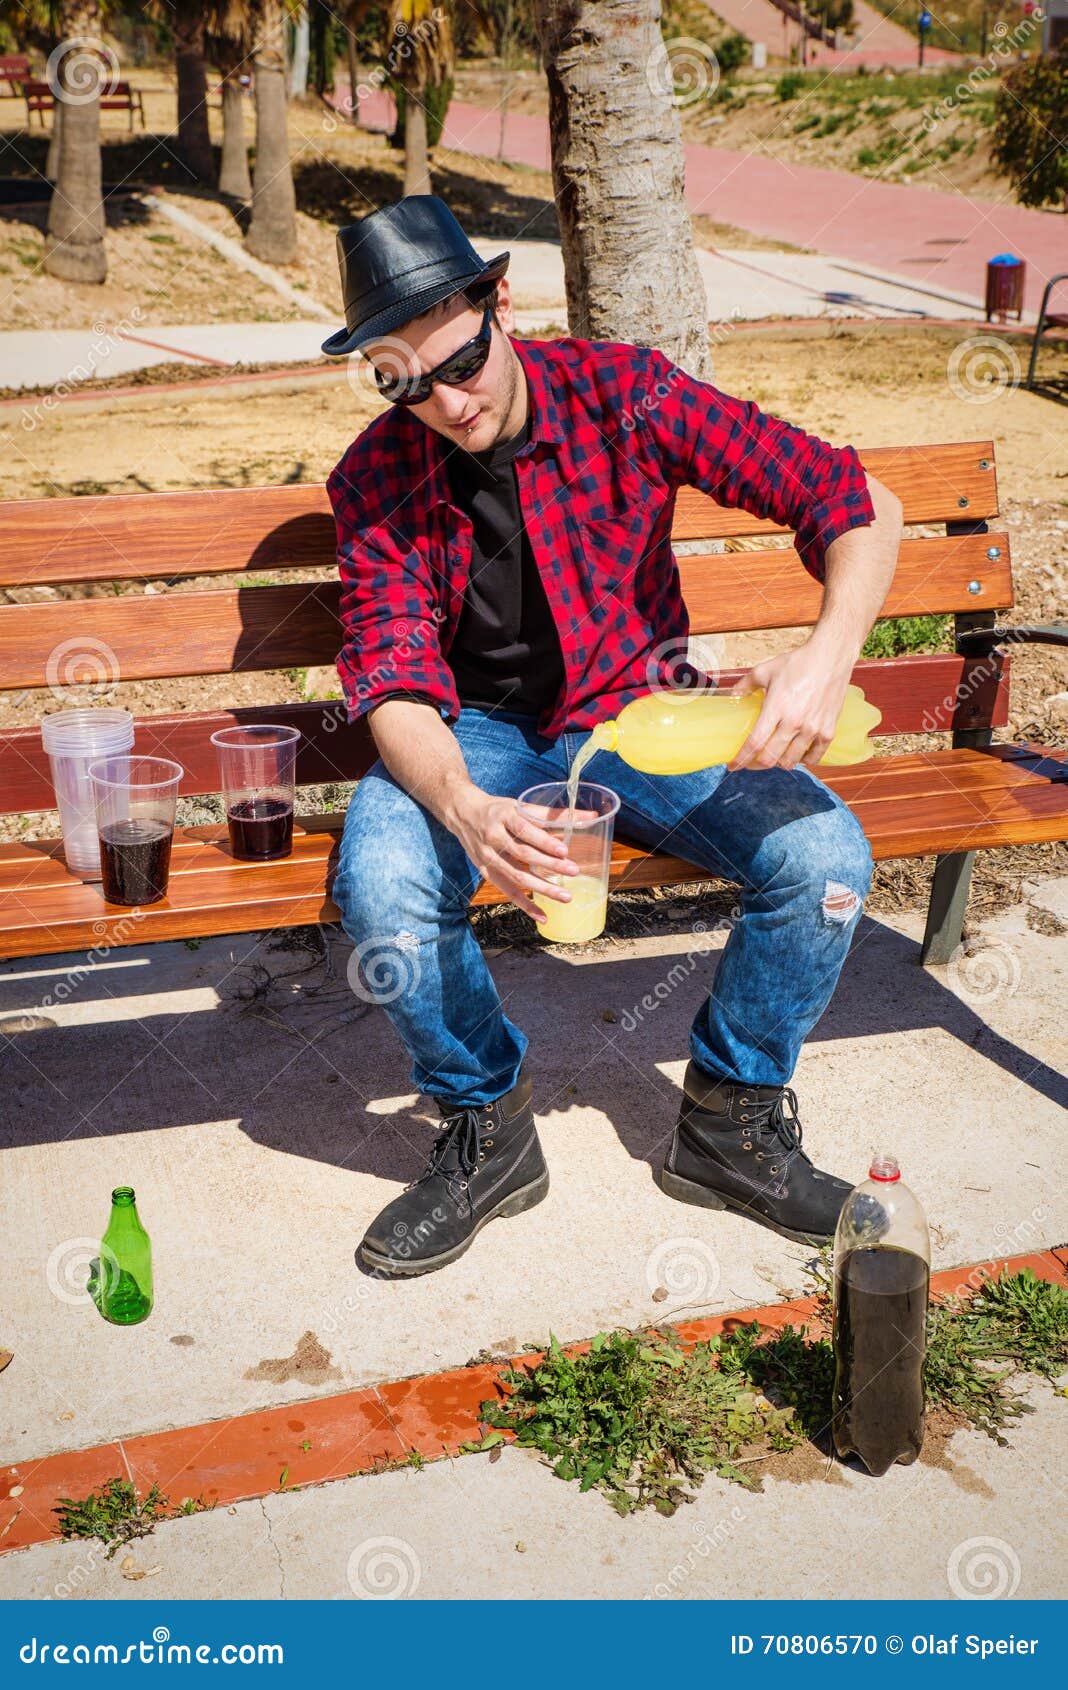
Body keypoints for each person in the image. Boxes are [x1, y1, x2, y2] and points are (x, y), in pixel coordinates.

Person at [323, 195, 903, 1279]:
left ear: (499, 305)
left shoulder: (622, 393)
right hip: (478, 738)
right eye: (404, 383)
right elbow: (393, 683)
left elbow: (853, 495)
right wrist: (463, 806)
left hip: (644, 713)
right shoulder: (374, 479)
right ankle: (487, 1126)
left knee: (823, 860)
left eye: (459, 364)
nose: (445, 403)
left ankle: (728, 1123)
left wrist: (827, 657)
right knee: (383, 880)